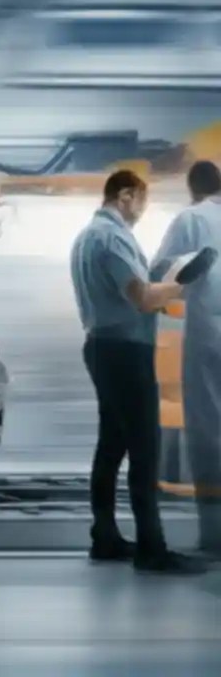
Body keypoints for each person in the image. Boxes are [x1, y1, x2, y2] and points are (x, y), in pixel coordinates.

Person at [70, 169, 207, 574]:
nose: (141, 211)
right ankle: (152, 548)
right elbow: (142, 298)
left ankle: (105, 537)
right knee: (145, 449)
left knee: (111, 446)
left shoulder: (85, 237)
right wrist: (185, 282)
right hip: (124, 351)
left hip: (102, 346)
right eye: (141, 202)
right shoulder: (111, 237)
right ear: (126, 195)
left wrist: (162, 289)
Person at [152, 160, 221, 559]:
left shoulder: (192, 217)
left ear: (194, 188)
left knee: (208, 431)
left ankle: (214, 538)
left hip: (209, 333)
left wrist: (165, 294)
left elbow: (159, 268)